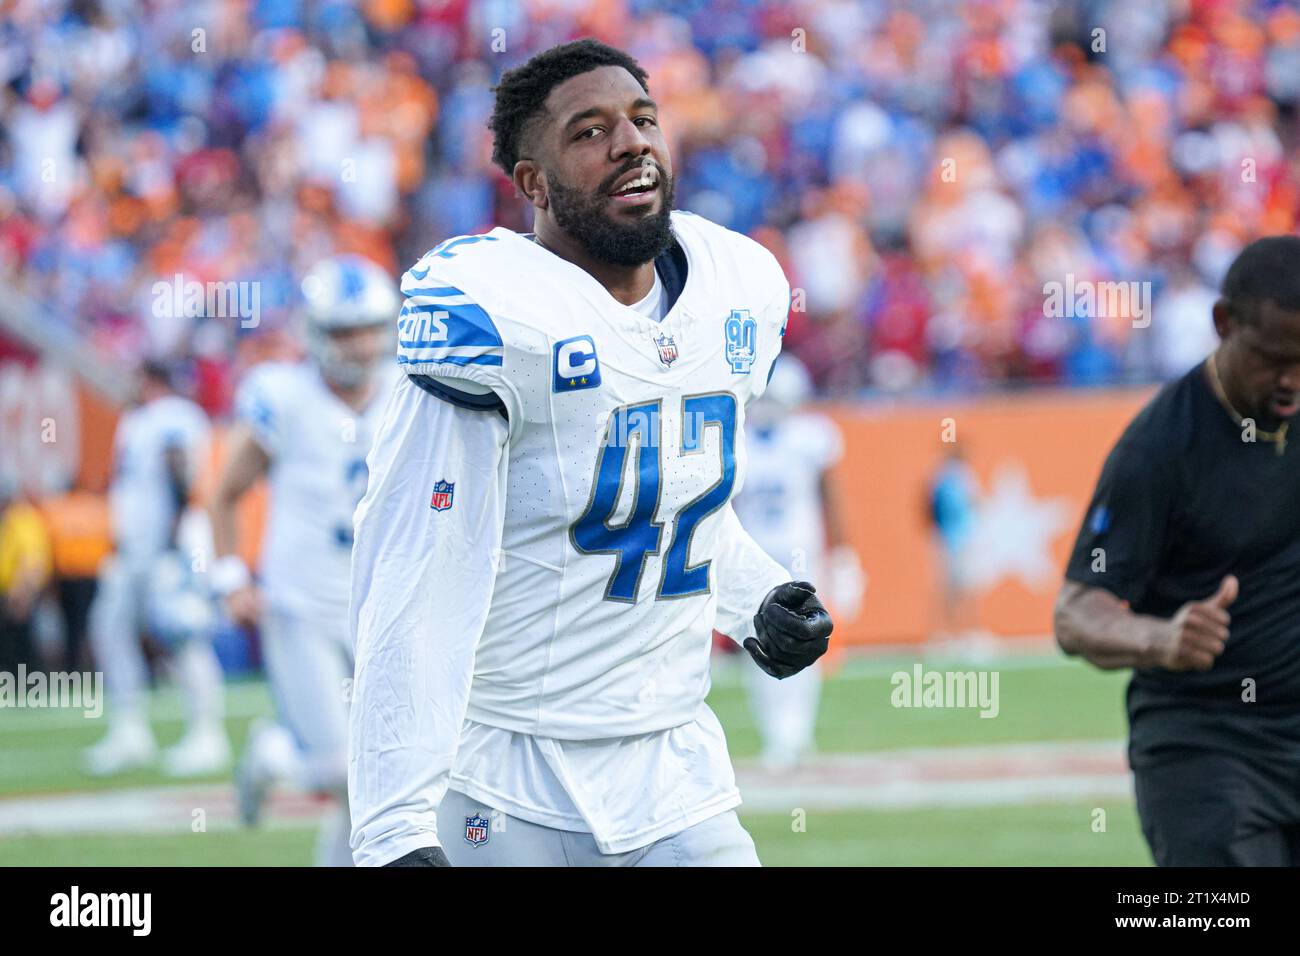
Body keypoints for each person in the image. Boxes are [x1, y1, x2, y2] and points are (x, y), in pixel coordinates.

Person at [348, 39, 834, 868]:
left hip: (673, 760)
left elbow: (671, 496)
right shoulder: (498, 312)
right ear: (533, 183)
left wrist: (753, 597)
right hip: (504, 774)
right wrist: (394, 825)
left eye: (644, 119)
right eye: (590, 131)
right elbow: (417, 565)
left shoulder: (737, 286)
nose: (631, 142)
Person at [1055, 236, 1300, 866]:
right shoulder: (1157, 450)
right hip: (1209, 749)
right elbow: (1076, 613)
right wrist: (1162, 638)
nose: (1292, 382)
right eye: (1275, 359)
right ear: (1224, 323)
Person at [210, 254, 399, 867]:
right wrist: (231, 576)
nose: (359, 343)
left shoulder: (407, 389)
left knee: (383, 775)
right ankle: (273, 751)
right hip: (301, 602)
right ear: (316, 333)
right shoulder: (281, 395)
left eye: (368, 327)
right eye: (344, 330)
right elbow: (225, 494)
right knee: (344, 767)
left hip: (383, 601)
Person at [83, 360, 229, 778]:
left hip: (169, 545)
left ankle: (207, 734)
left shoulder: (173, 416)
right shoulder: (138, 418)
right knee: (108, 627)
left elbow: (179, 471)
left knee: (183, 634)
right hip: (135, 548)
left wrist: (173, 540)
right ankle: (130, 731)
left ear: (150, 380)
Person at [731, 356, 862, 771]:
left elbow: (832, 498)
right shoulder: (738, 439)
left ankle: (796, 734)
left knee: (805, 644)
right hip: (755, 561)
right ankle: (778, 736)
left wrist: (844, 556)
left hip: (799, 558)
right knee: (760, 646)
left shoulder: (809, 437)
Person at [0, 481, 52, 675]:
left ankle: (28, 685)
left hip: (18, 591)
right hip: (9, 590)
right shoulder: (9, 519)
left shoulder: (21, 519)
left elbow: (32, 559)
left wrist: (23, 591)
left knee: (20, 641)